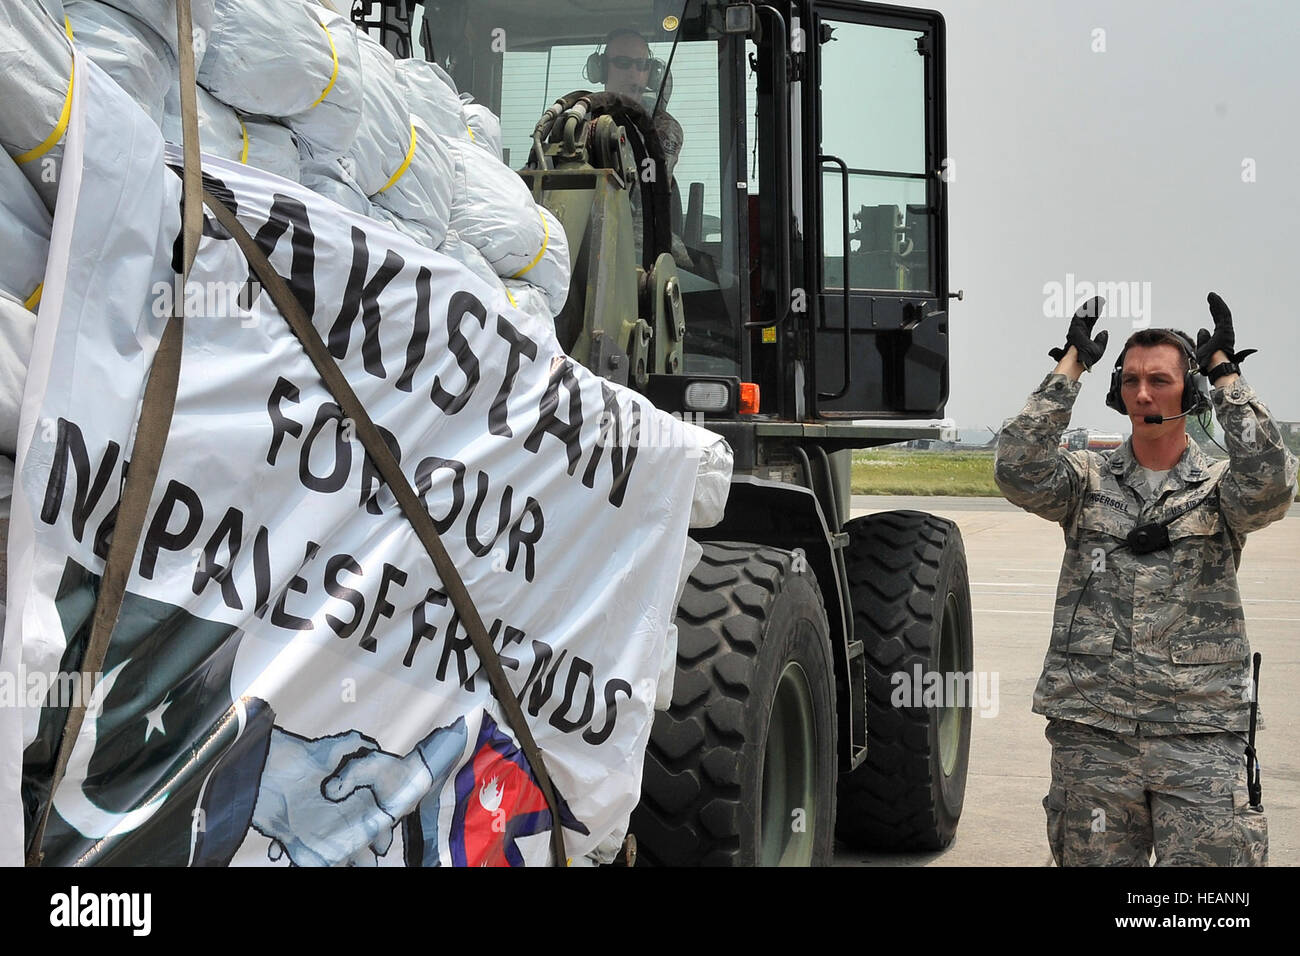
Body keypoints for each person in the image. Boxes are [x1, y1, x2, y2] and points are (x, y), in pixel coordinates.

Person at [994, 293, 1297, 866]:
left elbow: (1273, 481)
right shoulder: (1085, 483)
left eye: (1159, 380)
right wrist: (1070, 366)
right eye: (1130, 380)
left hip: (1199, 733)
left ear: (1190, 394)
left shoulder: (1221, 491)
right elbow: (1017, 467)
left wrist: (1225, 373)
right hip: (1094, 732)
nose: (1142, 394)